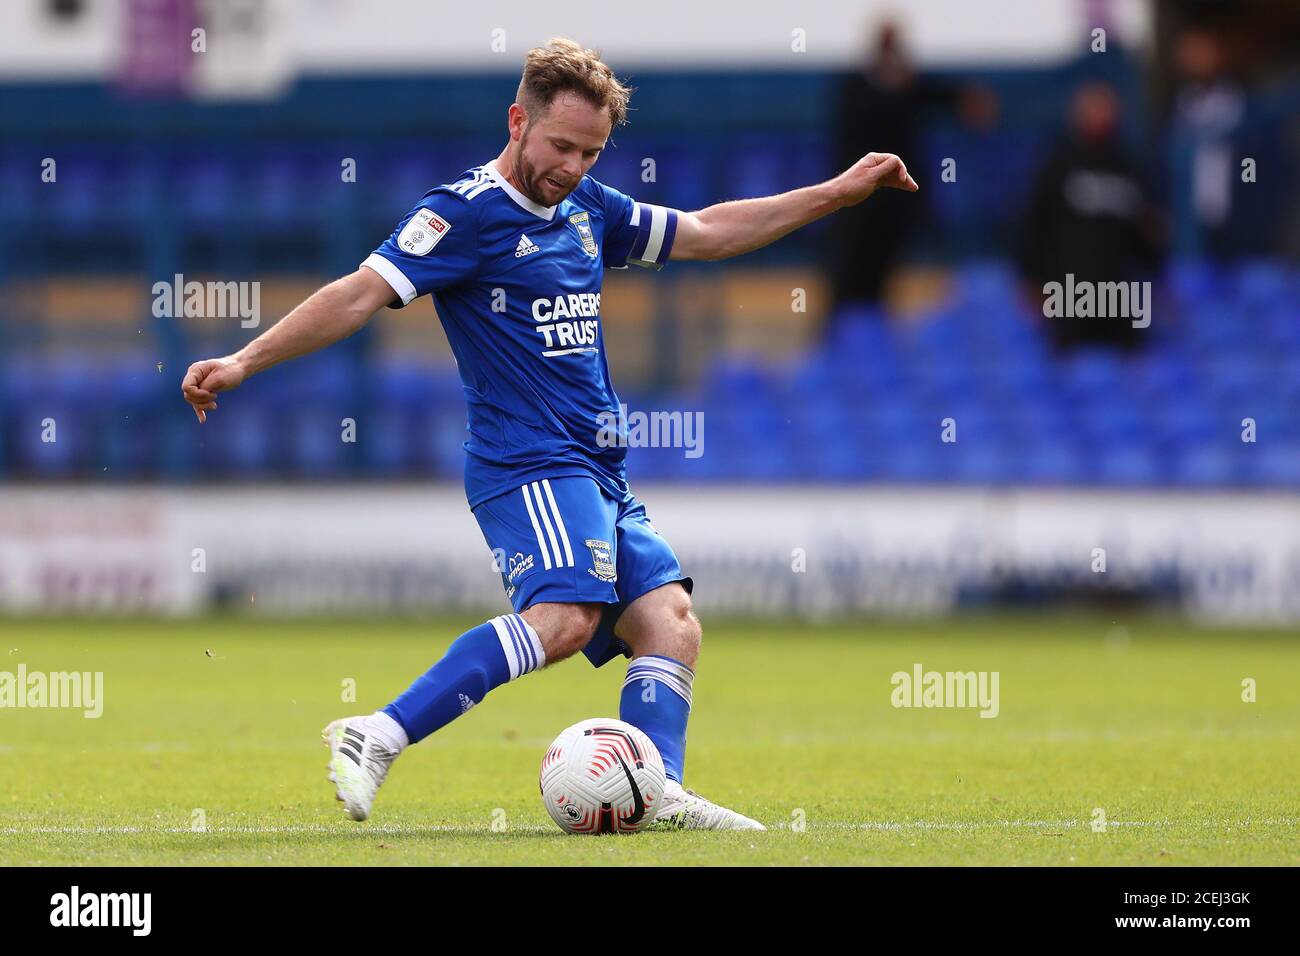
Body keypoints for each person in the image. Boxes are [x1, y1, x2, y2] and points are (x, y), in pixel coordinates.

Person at [180, 37, 916, 830]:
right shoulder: (461, 213)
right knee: (566, 617)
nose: (572, 165)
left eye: (591, 151)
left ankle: (657, 787)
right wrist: (245, 358)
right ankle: (378, 732)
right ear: (517, 120)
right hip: (524, 461)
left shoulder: (590, 207)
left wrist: (834, 195)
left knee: (669, 622)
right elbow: (360, 293)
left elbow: (705, 231)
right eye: (561, 145)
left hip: (598, 466)